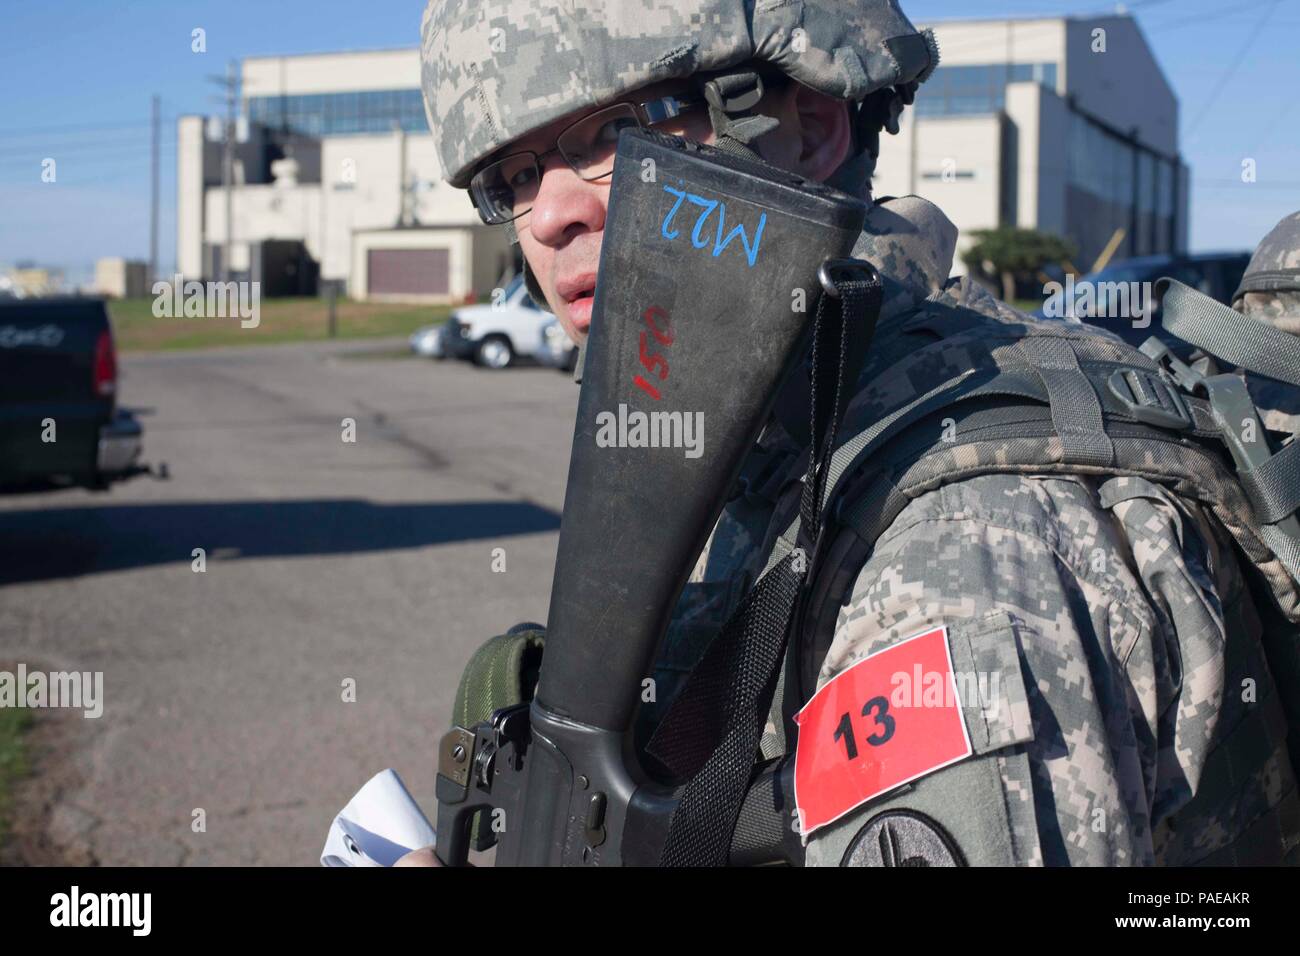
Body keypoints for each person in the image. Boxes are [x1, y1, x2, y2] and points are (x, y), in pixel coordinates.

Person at [403, 0, 1300, 866]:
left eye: (618, 131)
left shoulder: (964, 547)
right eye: (513, 178)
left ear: (816, 129)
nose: (551, 214)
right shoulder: (757, 445)